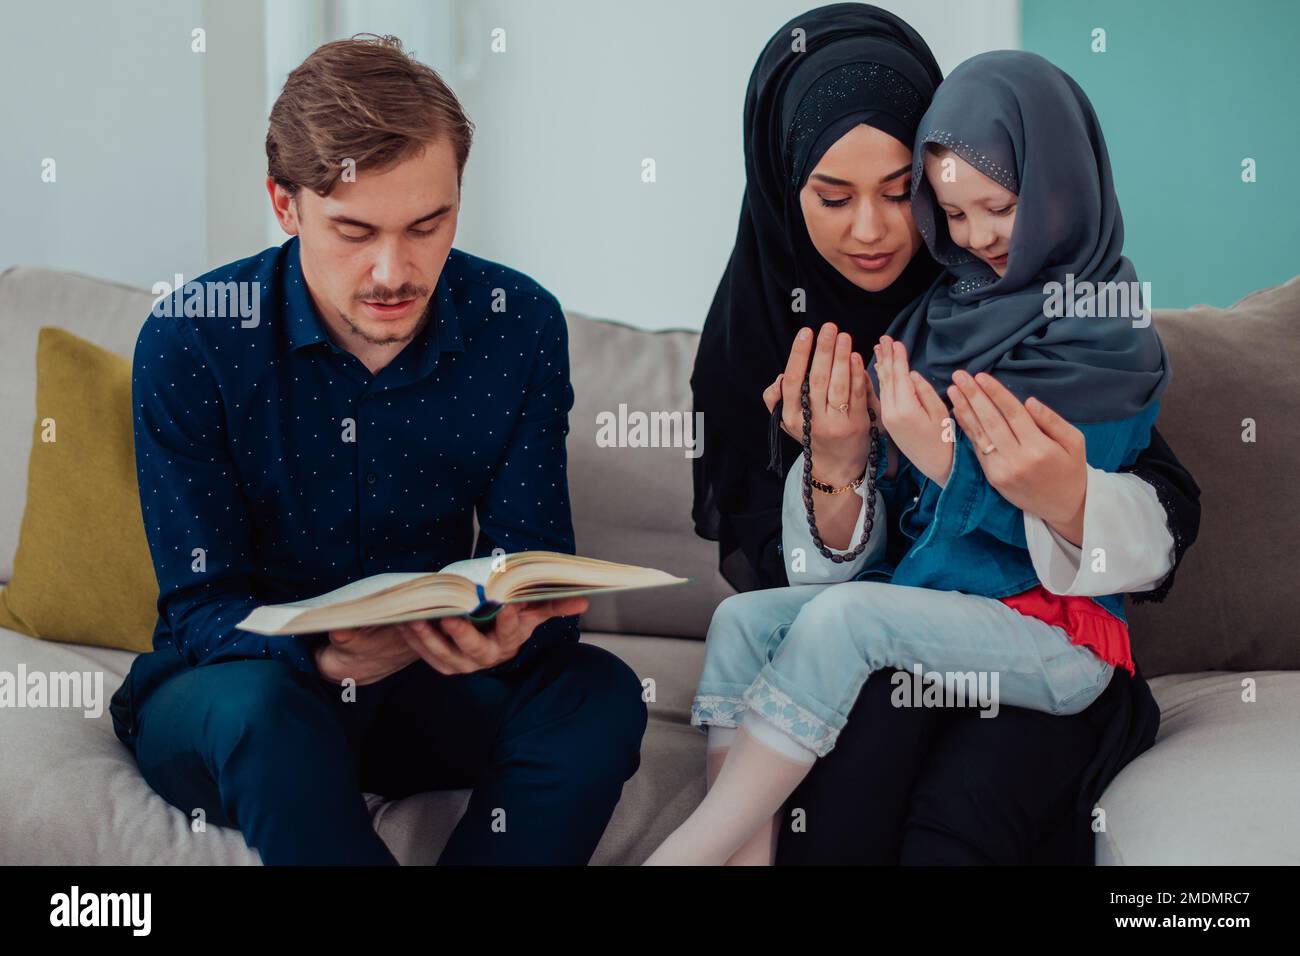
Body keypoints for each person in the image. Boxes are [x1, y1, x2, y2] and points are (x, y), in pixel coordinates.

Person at [108, 34, 646, 865]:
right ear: (285, 205)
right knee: (263, 711)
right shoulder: (191, 340)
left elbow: (531, 561)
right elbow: (201, 608)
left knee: (599, 694)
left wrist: (514, 633)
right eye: (353, 231)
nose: (393, 271)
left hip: (427, 688)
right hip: (245, 693)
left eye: (427, 225)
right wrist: (329, 654)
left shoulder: (521, 323)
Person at [688, 4, 1201, 865]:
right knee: (843, 788)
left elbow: (1159, 514)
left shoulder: (1060, 313)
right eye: (831, 194)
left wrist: (1059, 499)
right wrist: (837, 469)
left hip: (1043, 642)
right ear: (782, 186)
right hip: (880, 640)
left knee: (960, 808)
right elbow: (802, 597)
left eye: (899, 193)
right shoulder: (770, 342)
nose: (873, 231)